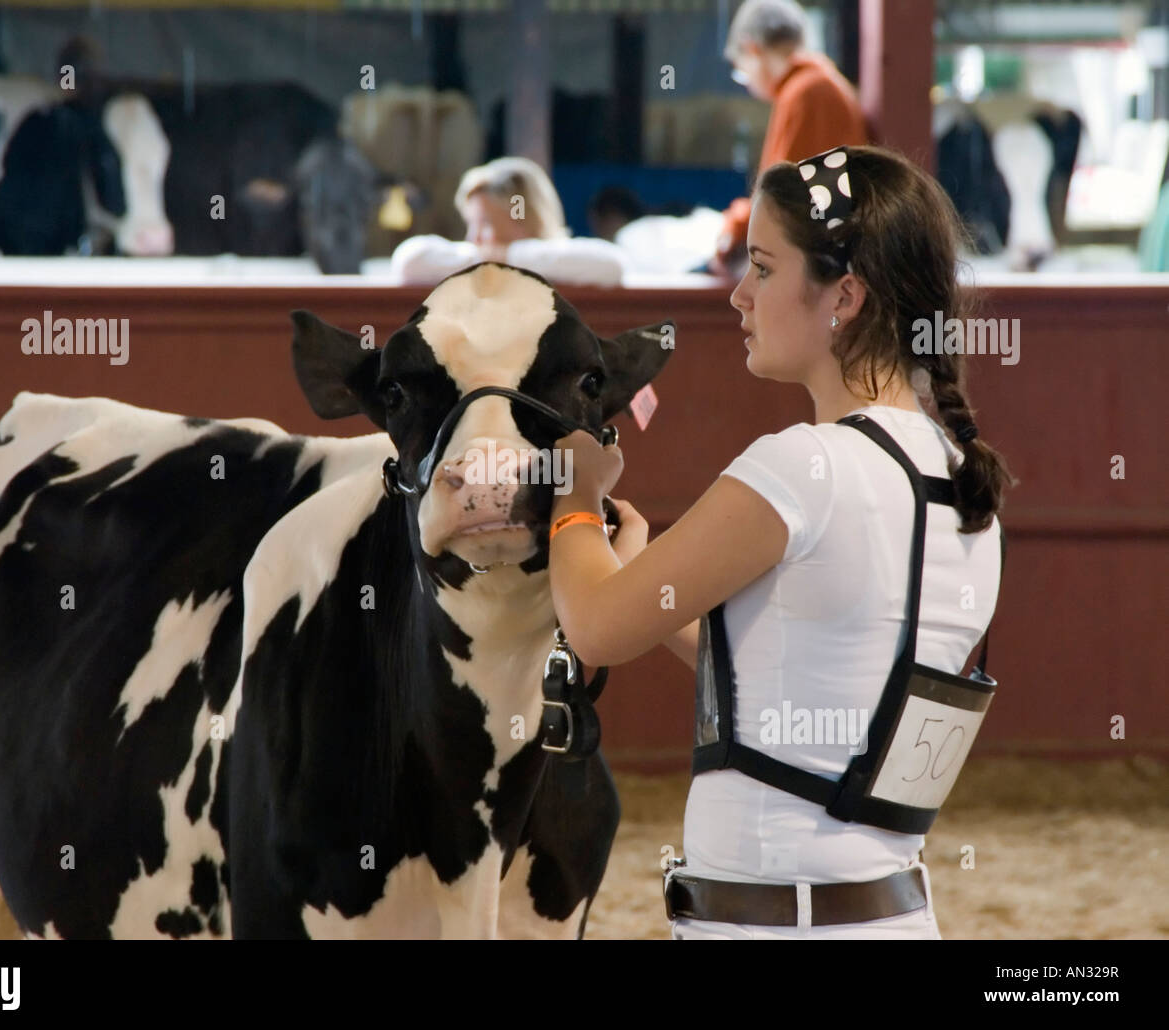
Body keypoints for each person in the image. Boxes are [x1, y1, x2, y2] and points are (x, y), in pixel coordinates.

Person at [547, 144, 1014, 939]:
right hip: (887, 917)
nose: (738, 295)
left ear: (845, 295)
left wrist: (575, 496)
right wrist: (644, 572)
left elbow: (590, 625)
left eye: (763, 268)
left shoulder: (803, 466)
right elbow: (798, 679)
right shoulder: (961, 480)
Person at [709, 0, 869, 277]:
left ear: (752, 49)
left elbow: (782, 197)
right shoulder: (814, 85)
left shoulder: (808, 93)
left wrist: (733, 231)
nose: (747, 83)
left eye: (741, 70)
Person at [390, 156, 629, 286]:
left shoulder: (567, 263)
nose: (473, 238)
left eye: (485, 224)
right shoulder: (476, 263)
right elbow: (410, 259)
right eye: (470, 224)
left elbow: (611, 265)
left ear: (523, 218)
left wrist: (507, 256)